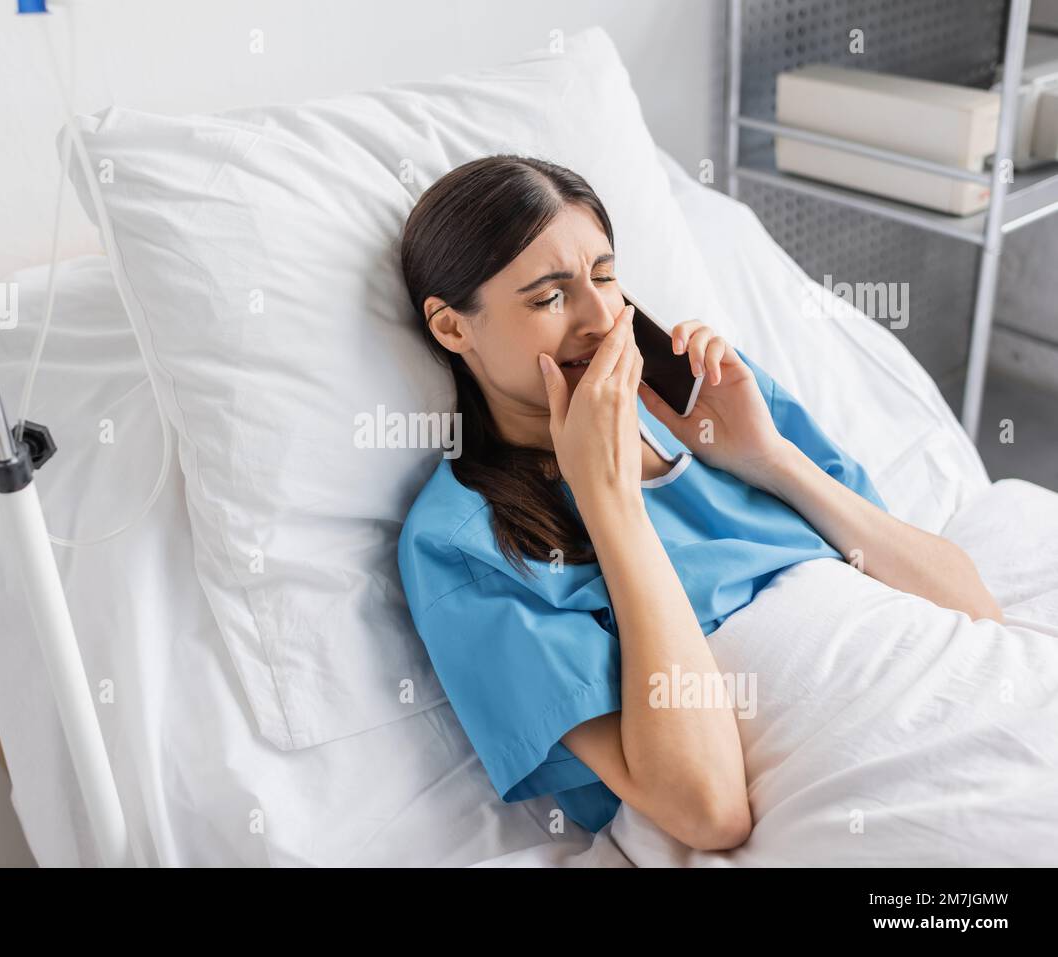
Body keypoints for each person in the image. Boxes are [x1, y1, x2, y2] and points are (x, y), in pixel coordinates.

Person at [395, 154, 1004, 850]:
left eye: (604, 276)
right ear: (451, 327)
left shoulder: (713, 406)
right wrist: (610, 501)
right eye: (548, 297)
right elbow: (708, 808)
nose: (602, 317)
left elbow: (973, 610)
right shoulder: (463, 544)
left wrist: (769, 458)